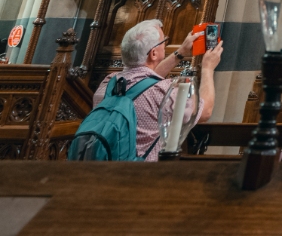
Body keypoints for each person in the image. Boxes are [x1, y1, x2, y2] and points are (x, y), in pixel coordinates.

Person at [91, 19, 223, 160]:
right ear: (153, 53)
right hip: (138, 174)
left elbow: (144, 81)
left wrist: (181, 52)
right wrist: (208, 68)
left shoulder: (107, 83)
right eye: (163, 41)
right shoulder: (163, 91)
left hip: (101, 166)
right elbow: (204, 111)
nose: (165, 44)